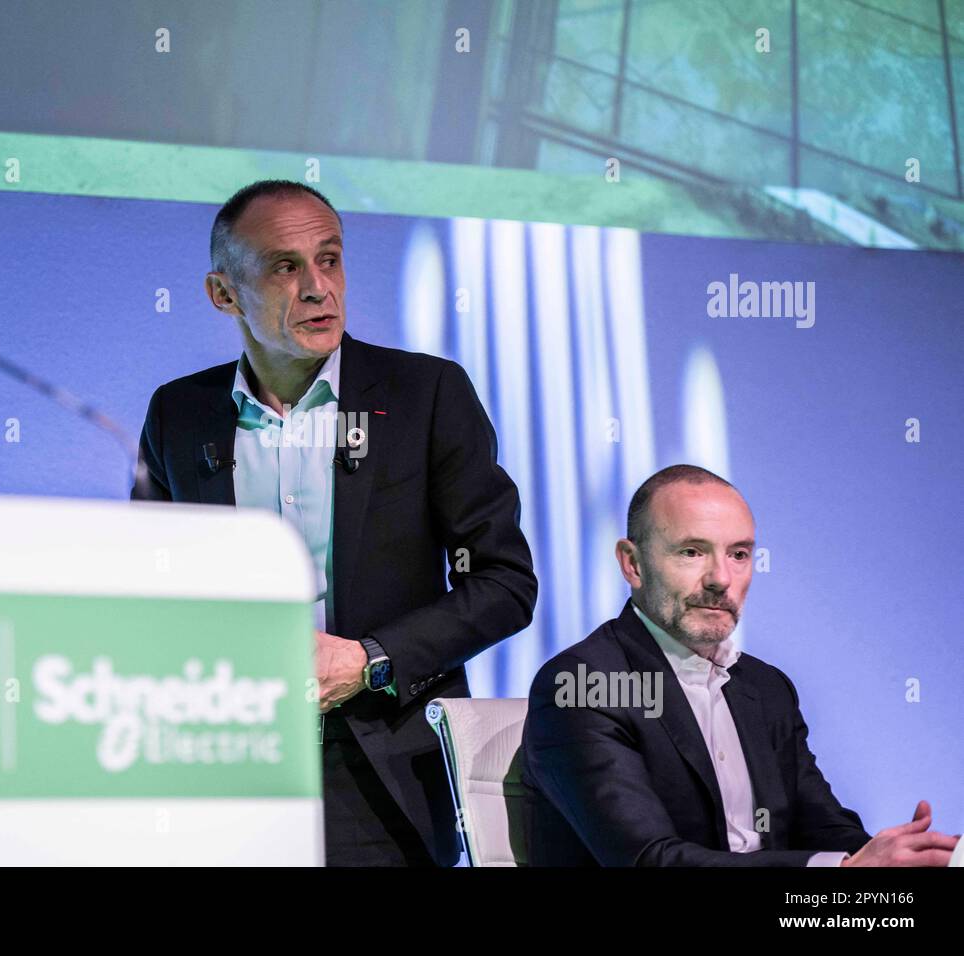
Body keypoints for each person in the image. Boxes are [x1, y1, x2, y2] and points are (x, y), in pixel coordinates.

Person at [132, 179, 537, 865]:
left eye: (330, 259)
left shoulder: (425, 396)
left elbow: (504, 584)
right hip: (227, 766)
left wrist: (369, 660)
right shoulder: (181, 413)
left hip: (383, 767)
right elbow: (151, 590)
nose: (320, 288)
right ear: (223, 293)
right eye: (285, 267)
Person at [521, 464, 958, 866]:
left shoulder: (765, 687)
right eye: (692, 552)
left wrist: (911, 858)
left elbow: (822, 826)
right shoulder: (582, 686)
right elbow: (649, 860)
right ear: (632, 564)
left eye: (739, 554)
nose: (720, 578)